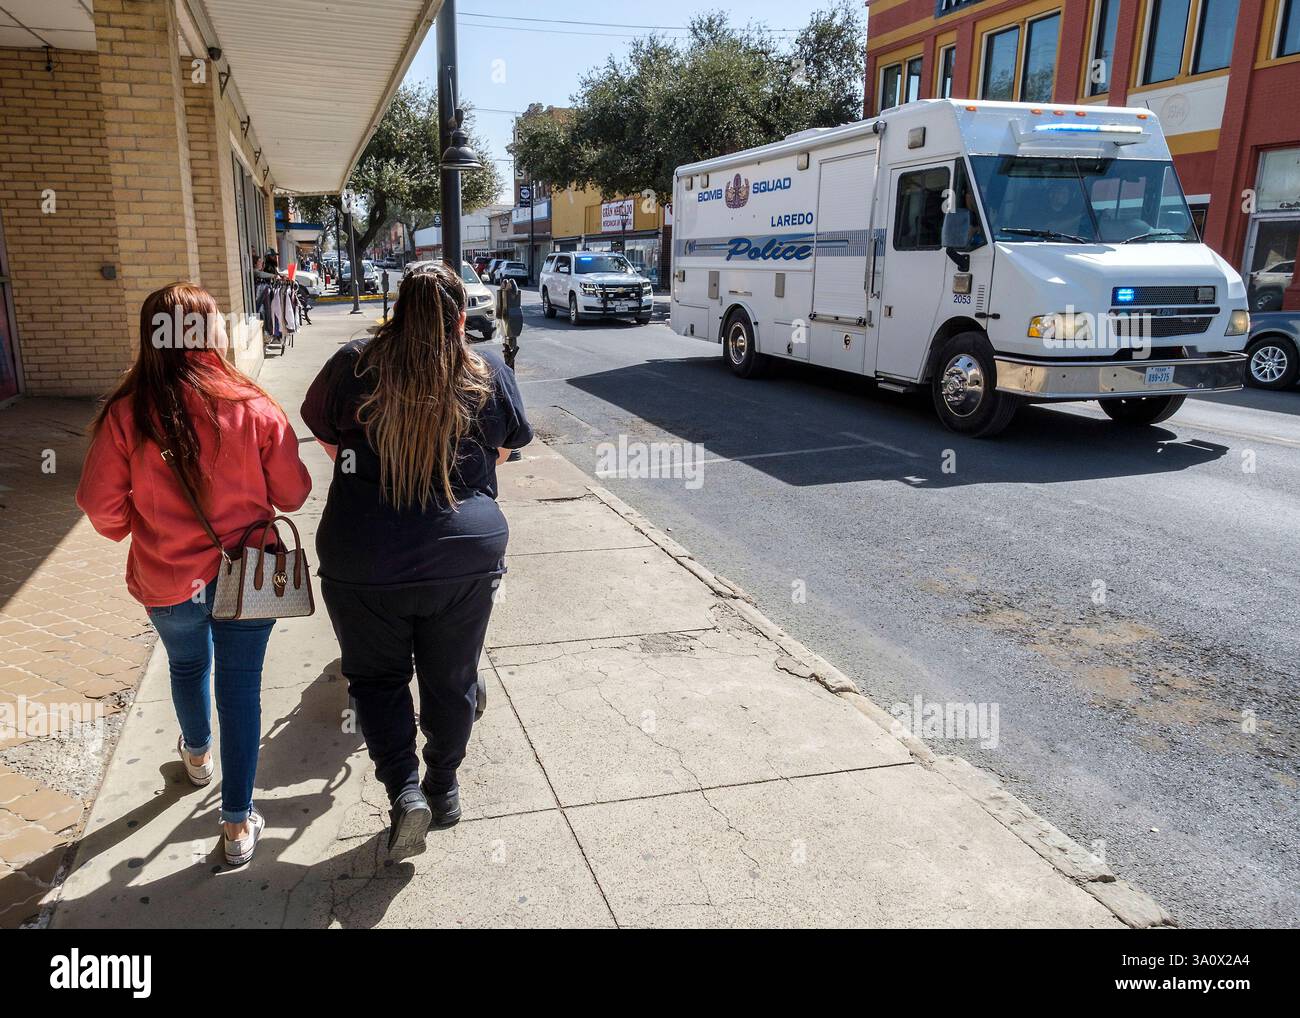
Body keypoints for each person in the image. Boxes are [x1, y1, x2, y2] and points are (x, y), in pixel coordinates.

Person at [301, 263, 532, 859]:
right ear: (460, 317)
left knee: (377, 680)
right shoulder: (486, 368)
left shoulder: (355, 361)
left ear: (398, 308)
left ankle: (406, 793)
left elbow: (326, 436)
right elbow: (504, 449)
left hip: (364, 553)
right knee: (452, 677)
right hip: (464, 554)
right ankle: (444, 785)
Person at [76, 283, 312, 867]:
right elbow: (295, 492)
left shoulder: (126, 414)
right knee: (240, 691)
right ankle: (236, 826)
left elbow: (100, 506)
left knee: (187, 665)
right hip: (247, 577)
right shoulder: (253, 406)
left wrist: (144, 526)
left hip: (166, 578)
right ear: (211, 334)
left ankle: (198, 756)